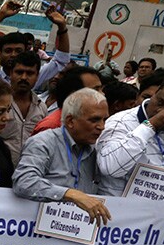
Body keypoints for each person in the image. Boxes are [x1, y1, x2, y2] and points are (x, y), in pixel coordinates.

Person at [13, 88, 111, 224]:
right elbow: (24, 182)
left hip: (78, 232)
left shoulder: (98, 149)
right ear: (70, 121)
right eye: (94, 120)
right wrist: (71, 195)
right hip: (39, 234)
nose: (102, 126)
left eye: (104, 119)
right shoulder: (43, 143)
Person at [96, 72, 164, 196]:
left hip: (161, 211)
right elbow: (109, 168)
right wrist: (151, 125)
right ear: (157, 92)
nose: (161, 111)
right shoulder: (121, 121)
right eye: (160, 102)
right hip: (120, 209)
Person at [0, 0, 70, 91]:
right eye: (8, 51)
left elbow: (61, 60)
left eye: (18, 51)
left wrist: (62, 26)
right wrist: (0, 15)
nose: (13, 55)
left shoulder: (33, 75)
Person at [0, 51, 46, 165]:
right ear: (11, 73)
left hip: (30, 173)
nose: (24, 77)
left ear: (37, 76)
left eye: (30, 73)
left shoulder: (42, 107)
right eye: (19, 72)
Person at [31, 67, 103, 135]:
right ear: (74, 95)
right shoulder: (51, 127)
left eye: (101, 89)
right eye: (95, 90)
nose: (102, 94)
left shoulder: (83, 125)